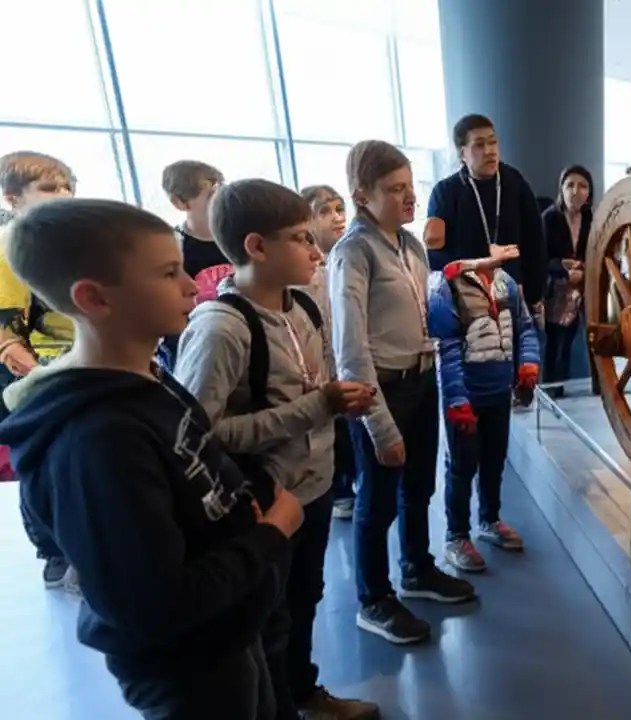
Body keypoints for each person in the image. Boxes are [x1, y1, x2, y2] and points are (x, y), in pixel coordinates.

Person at [0, 198, 301, 718]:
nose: (191, 286)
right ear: (94, 298)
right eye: (168, 273)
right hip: (190, 667)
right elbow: (153, 607)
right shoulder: (97, 441)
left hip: (230, 625)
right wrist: (271, 534)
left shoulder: (148, 379)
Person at [173, 180, 380, 720]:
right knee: (265, 621)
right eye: (301, 239)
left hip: (312, 489)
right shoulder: (221, 329)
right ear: (256, 247)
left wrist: (336, 402)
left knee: (304, 599)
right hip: (259, 505)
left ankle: (302, 693)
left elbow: (311, 390)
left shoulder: (304, 306)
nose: (316, 252)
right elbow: (197, 437)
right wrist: (318, 406)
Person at [331, 140, 475, 645]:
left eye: (410, 186)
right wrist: (379, 423)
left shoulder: (412, 246)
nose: (410, 197)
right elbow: (350, 347)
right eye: (395, 189)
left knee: (418, 487)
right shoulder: (352, 253)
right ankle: (373, 599)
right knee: (376, 501)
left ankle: (417, 568)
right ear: (361, 195)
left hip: (420, 379)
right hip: (381, 390)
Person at [430, 255, 540, 572]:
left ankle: (490, 519)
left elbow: (525, 328)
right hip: (466, 397)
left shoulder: (506, 283)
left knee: (494, 461)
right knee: (461, 467)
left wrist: (528, 363)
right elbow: (446, 347)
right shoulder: (447, 284)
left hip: (499, 393)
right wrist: (456, 399)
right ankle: (456, 535)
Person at [0, 150, 78, 589]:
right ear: (13, 198)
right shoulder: (8, 246)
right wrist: (38, 378)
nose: (62, 194)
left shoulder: (68, 242)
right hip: (42, 373)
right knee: (41, 463)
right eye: (49, 188)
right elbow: (6, 332)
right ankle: (53, 550)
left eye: (67, 186)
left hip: (81, 360)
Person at [425, 114, 548, 317]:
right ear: (462, 153)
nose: (489, 151)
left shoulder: (514, 181)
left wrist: (535, 294)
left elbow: (535, 241)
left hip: (514, 296)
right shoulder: (445, 192)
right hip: (468, 302)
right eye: (479, 145)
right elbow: (437, 257)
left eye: (493, 142)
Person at [300, 184, 357, 521]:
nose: (337, 217)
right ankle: (338, 489)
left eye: (339, 209)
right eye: (324, 211)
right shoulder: (303, 275)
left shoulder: (346, 258)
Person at [157, 160, 229, 369]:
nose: (220, 203)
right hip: (190, 346)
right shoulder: (173, 247)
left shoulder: (234, 239)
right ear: (180, 202)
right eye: (211, 196)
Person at [539, 166, 593, 397]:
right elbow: (540, 258)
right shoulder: (549, 218)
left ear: (589, 192)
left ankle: (598, 386)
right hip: (557, 289)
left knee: (593, 337)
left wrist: (584, 269)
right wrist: (564, 271)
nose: (575, 191)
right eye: (570, 185)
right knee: (556, 343)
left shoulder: (591, 219)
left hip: (586, 286)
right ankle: (553, 391)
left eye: (582, 186)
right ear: (561, 189)